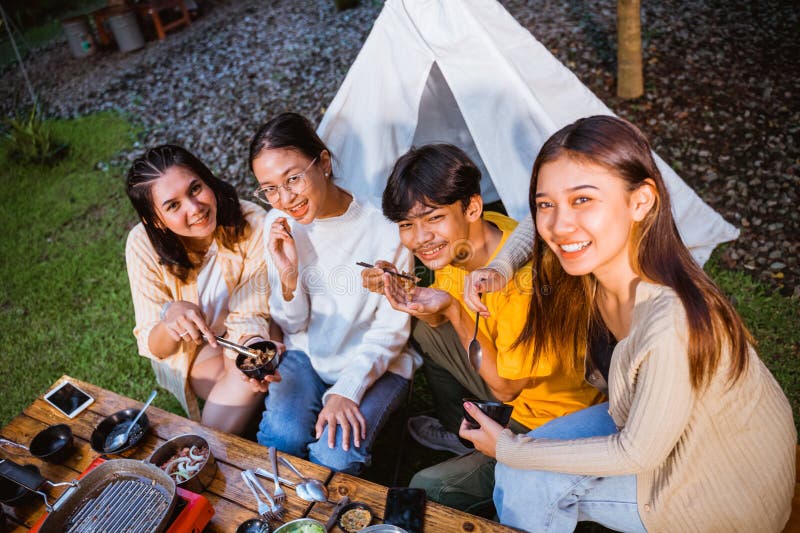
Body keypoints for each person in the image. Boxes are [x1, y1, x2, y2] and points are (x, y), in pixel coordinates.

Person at [459, 115, 796, 532]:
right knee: (521, 473)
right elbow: (536, 225)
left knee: (524, 480)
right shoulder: (601, 265)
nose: (560, 225)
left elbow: (636, 454)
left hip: (722, 485)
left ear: (641, 201)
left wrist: (510, 448)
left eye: (583, 200)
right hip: (648, 419)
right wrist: (501, 267)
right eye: (548, 203)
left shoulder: (673, 322)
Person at [363, 143, 601, 516]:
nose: (420, 238)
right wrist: (419, 298)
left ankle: (492, 468)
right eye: (407, 225)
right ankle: (457, 431)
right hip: (502, 368)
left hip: (546, 416)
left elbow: (504, 388)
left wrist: (456, 313)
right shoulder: (473, 239)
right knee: (427, 331)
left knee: (427, 487)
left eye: (433, 218)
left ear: (471, 206)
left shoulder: (522, 292)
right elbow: (444, 317)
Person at [247, 112, 415, 474]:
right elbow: (293, 324)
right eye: (270, 188)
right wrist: (289, 276)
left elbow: (391, 329)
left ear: (323, 163)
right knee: (281, 440)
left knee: (332, 457)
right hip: (308, 353)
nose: (286, 198)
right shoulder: (275, 225)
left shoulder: (385, 228)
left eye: (293, 178)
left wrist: (347, 390)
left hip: (377, 360)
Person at [125, 144, 276, 434]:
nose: (195, 209)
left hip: (251, 331)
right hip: (197, 352)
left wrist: (246, 358)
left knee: (243, 380)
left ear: (208, 179)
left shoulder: (253, 221)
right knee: (243, 385)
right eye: (173, 205)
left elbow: (250, 314)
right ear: (154, 219)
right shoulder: (141, 243)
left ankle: (208, 445)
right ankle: (252, 412)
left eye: (195, 189)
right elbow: (154, 346)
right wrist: (170, 319)